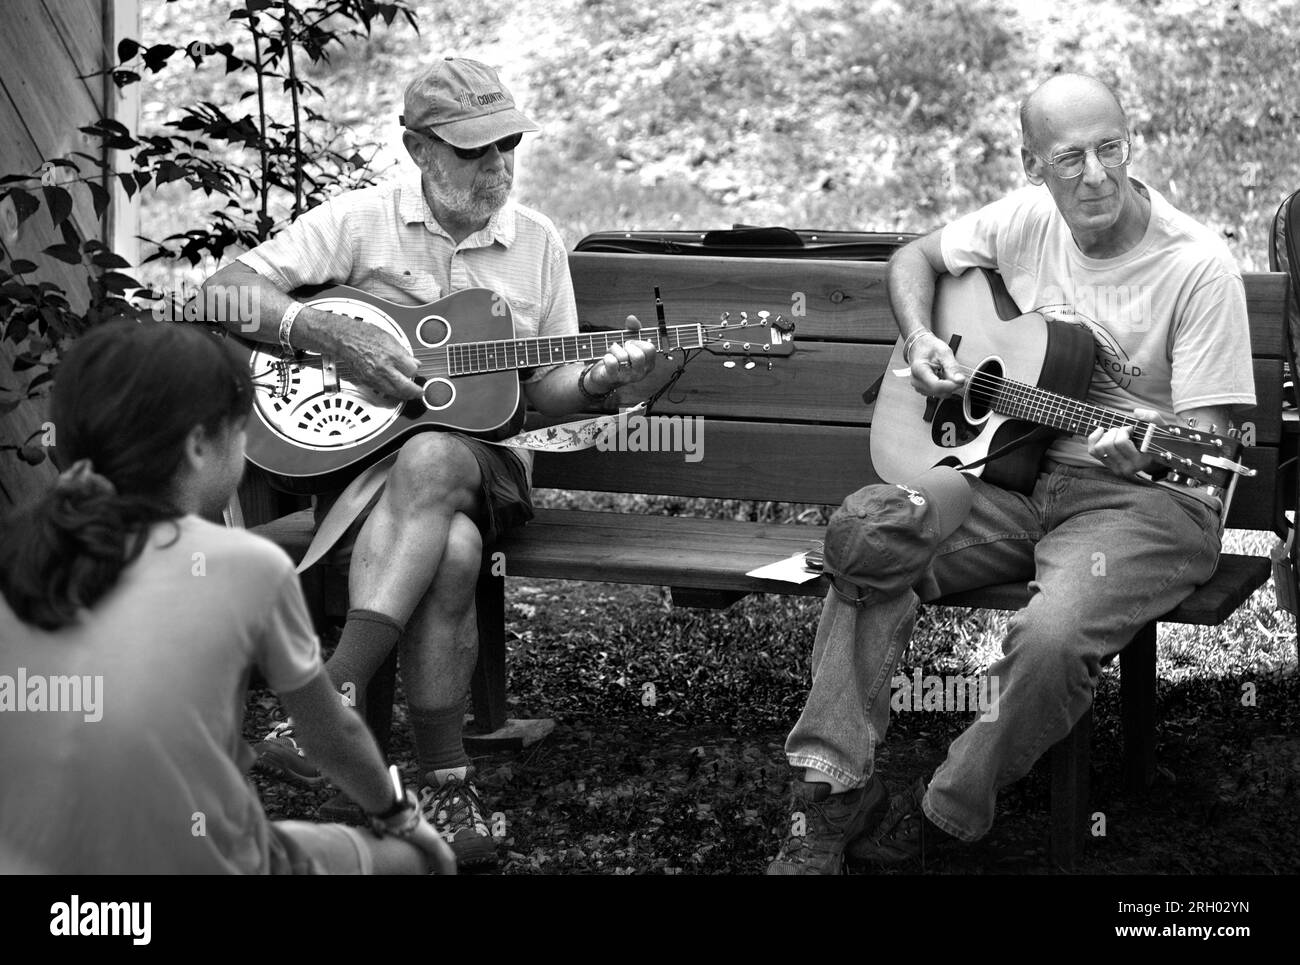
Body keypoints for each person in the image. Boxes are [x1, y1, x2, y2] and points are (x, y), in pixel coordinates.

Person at [767, 72, 1256, 875]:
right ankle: (832, 790)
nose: (1097, 175)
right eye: (1071, 159)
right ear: (1033, 166)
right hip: (1012, 475)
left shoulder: (1195, 265)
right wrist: (922, 336)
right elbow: (915, 257)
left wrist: (1150, 453)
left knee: (1054, 636)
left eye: (1112, 149)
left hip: (1149, 499)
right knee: (870, 542)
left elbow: (1209, 440)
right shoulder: (1025, 220)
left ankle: (944, 819)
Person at [201, 57, 656, 868]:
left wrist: (595, 381)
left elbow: (541, 395)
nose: (498, 167)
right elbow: (221, 295)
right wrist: (330, 334)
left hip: (492, 467)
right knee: (451, 549)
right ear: (416, 147)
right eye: (474, 150)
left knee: (442, 449)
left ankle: (326, 696)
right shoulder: (358, 221)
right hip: (366, 469)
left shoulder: (536, 243)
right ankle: (446, 779)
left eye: (507, 145)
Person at [0, 321, 455, 874]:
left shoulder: (21, 554)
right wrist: (400, 818)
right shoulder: (246, 567)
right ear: (198, 446)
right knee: (417, 862)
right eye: (241, 432)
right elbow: (329, 733)